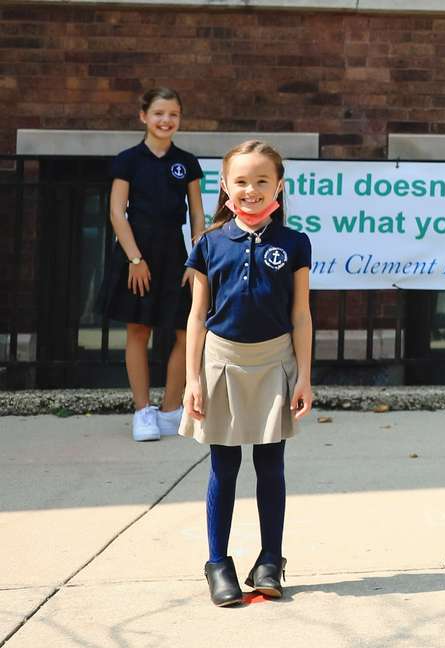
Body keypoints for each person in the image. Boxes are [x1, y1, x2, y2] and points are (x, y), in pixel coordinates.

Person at [180, 140, 314, 605]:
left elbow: (301, 314)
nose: (251, 190)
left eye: (261, 181)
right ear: (225, 186)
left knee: (270, 463)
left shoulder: (294, 242)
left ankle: (270, 560)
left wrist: (304, 376)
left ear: (278, 185)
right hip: (222, 361)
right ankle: (218, 563)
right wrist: (192, 379)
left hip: (275, 360)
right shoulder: (209, 243)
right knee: (225, 465)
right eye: (241, 181)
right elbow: (197, 316)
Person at [107, 88, 205, 442]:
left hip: (175, 252)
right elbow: (117, 212)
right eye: (159, 113)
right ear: (143, 116)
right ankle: (142, 410)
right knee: (138, 329)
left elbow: (197, 213)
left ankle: (170, 409)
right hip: (138, 251)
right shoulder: (128, 160)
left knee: (184, 330)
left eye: (173, 114)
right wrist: (134, 258)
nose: (166, 120)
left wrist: (197, 258)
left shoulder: (187, 162)